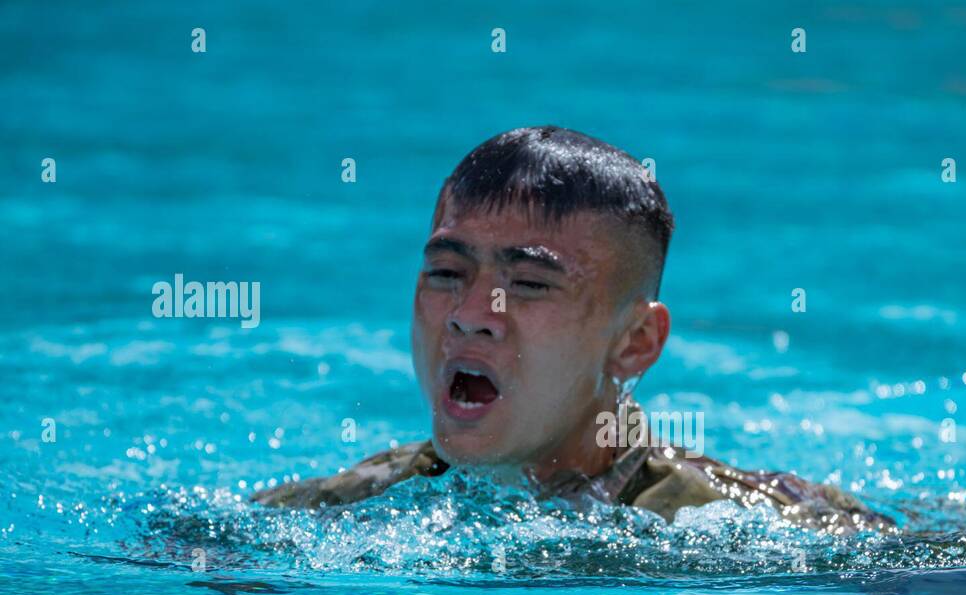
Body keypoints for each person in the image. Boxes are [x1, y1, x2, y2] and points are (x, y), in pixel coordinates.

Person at [253, 126, 891, 535]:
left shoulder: (742, 530)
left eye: (529, 284)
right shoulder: (342, 510)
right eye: (447, 271)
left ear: (635, 342)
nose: (469, 313)